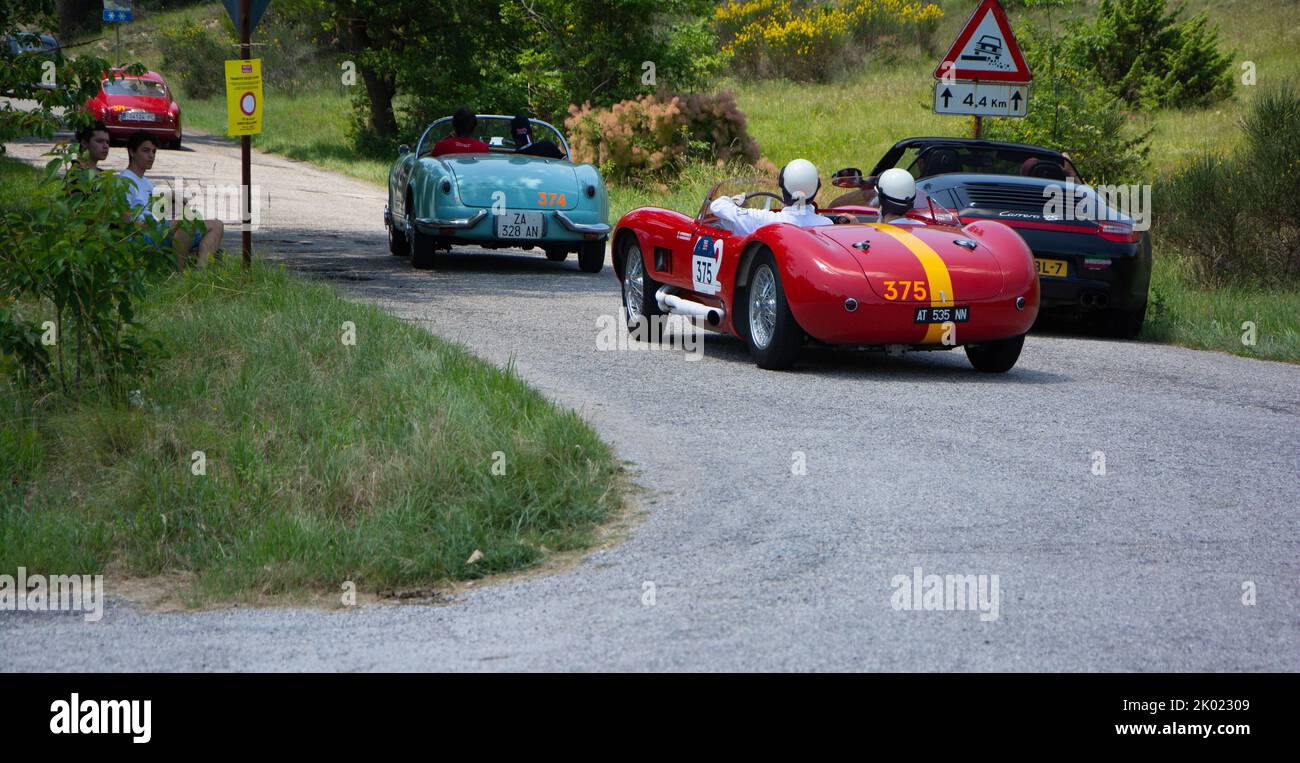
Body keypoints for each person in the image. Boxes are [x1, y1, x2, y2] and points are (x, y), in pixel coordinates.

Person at [119, 130, 224, 269]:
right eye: (146, 151)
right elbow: (124, 220)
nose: (151, 156)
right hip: (142, 235)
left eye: (154, 152)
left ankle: (201, 273)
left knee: (216, 224)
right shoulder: (124, 180)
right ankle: (178, 274)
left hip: (159, 228)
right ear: (132, 152)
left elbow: (157, 209)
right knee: (185, 222)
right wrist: (156, 225)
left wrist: (174, 203)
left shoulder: (146, 182)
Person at [708, 158, 839, 236]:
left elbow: (717, 206)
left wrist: (734, 202)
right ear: (815, 189)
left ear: (783, 188)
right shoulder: (826, 225)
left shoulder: (764, 220)